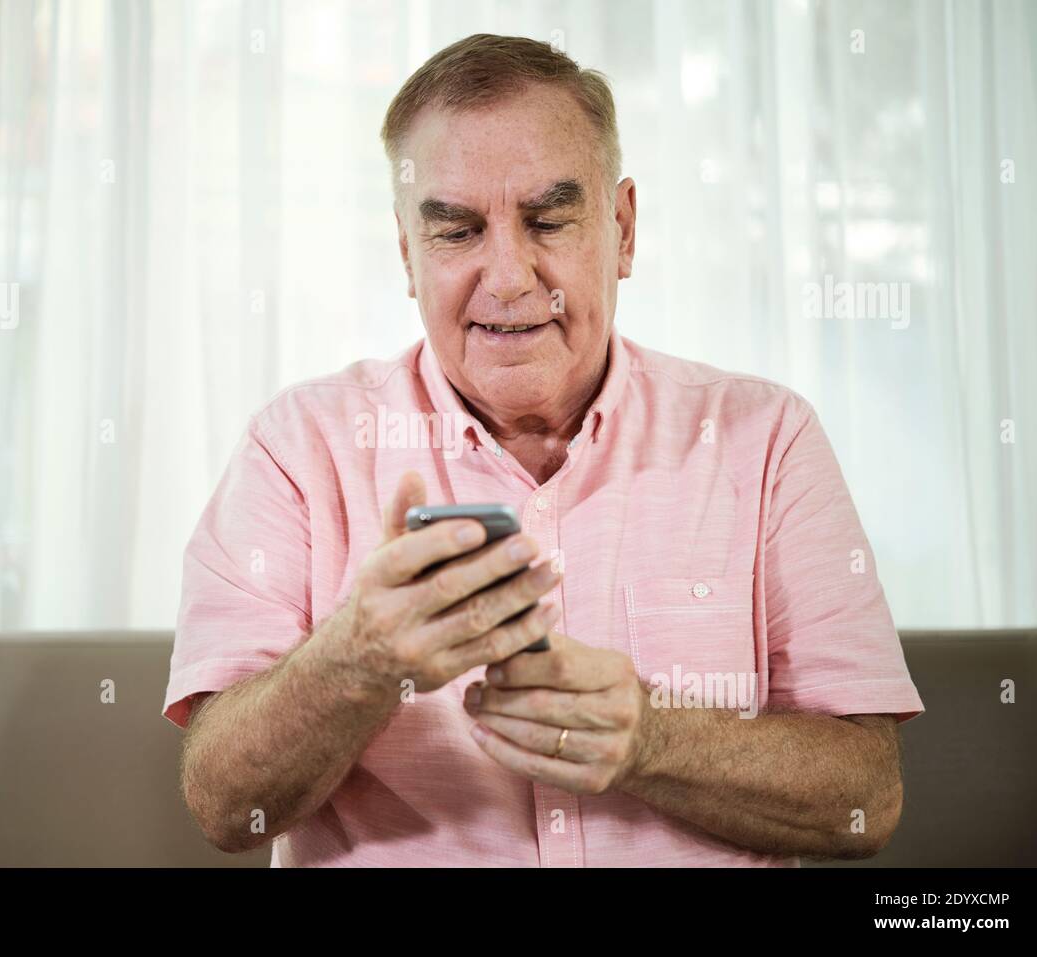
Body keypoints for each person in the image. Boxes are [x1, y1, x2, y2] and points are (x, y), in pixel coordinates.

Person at [163, 33, 923, 867]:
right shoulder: (295, 447)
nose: (511, 276)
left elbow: (865, 798)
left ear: (624, 229)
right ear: (406, 253)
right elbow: (225, 806)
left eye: (549, 219)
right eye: (455, 231)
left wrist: (652, 737)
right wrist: (357, 657)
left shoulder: (767, 437)